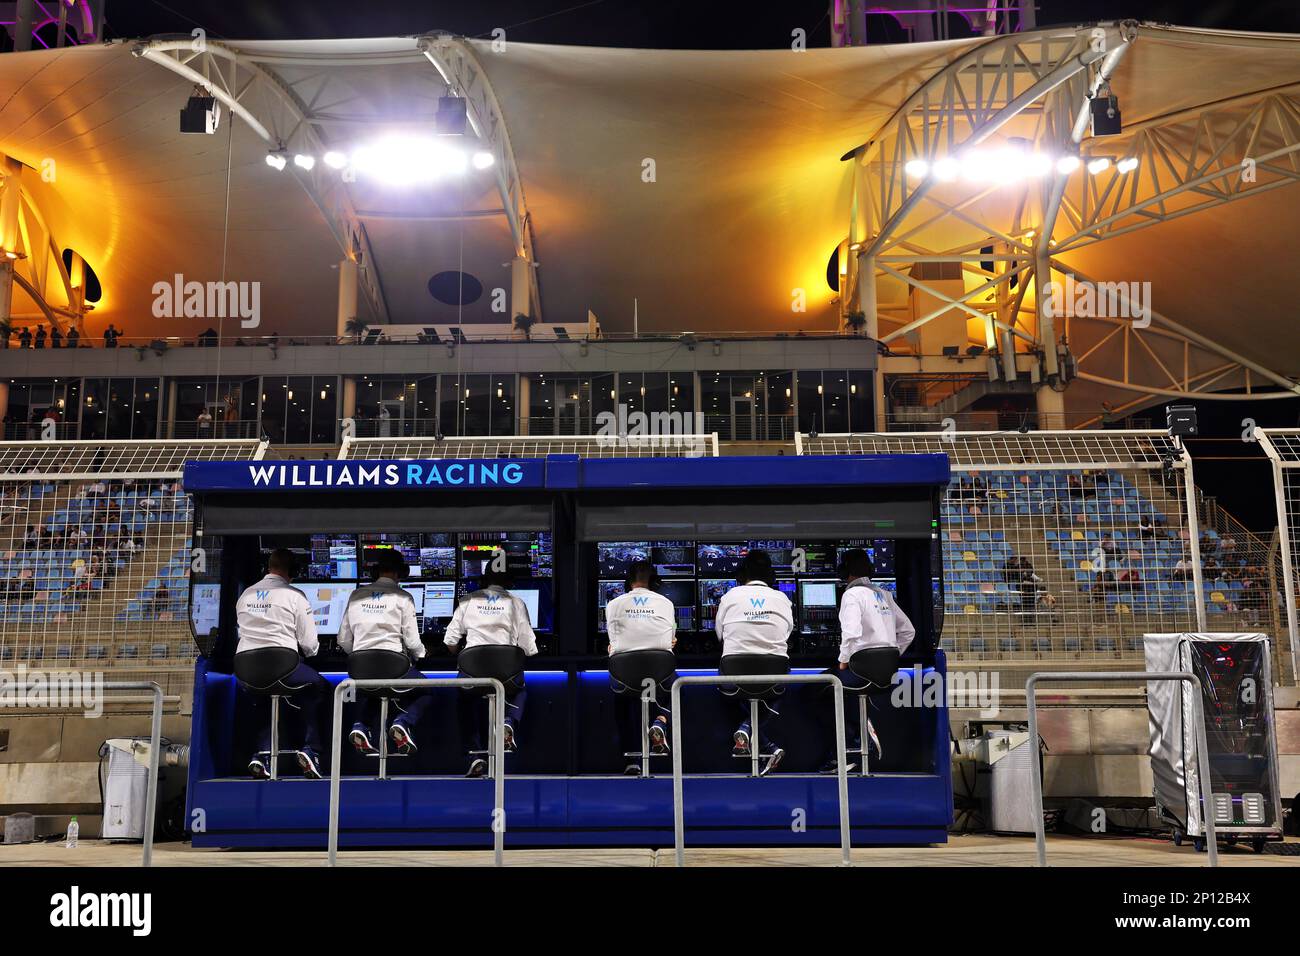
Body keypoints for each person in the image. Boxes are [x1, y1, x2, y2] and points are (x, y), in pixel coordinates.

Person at [816, 549, 916, 773]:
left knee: (816, 688)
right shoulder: (884, 594)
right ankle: (861, 727)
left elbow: (851, 632)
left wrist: (843, 660)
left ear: (845, 572)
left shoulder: (852, 595)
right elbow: (908, 631)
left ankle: (849, 743)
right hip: (887, 672)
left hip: (860, 671)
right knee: (842, 688)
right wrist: (889, 654)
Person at [234, 548, 329, 779]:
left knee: (264, 695)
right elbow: (309, 645)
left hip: (246, 671)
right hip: (283, 666)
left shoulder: (245, 594)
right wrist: (311, 652)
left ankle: (262, 754)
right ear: (293, 570)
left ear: (268, 568)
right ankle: (311, 750)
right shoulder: (295, 595)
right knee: (320, 687)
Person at [443, 568, 538, 777]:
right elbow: (529, 647)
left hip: (472, 675)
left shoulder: (468, 600)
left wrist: (462, 653)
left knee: (464, 696)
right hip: (507, 677)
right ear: (510, 582)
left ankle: (474, 755)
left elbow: (450, 641)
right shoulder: (516, 602)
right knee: (519, 689)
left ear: (484, 580)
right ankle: (508, 722)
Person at [338, 548, 431, 755]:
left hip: (360, 671)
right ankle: (403, 722)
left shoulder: (356, 595)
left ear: (375, 571)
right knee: (426, 688)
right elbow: (413, 642)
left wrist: (362, 656)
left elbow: (343, 640)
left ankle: (361, 726)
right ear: (400, 573)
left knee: (374, 687)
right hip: (394, 670)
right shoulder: (404, 597)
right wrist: (423, 654)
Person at [714, 549, 794, 775]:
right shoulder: (782, 599)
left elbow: (720, 635)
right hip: (774, 672)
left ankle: (751, 731)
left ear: (741, 574)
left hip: (734, 672)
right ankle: (759, 737)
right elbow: (787, 632)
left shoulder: (729, 596)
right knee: (781, 687)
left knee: (728, 692)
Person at [604, 559, 676, 775]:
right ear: (654, 582)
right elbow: (670, 639)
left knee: (623, 702)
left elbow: (613, 640)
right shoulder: (666, 603)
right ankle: (660, 721)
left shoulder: (613, 604)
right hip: (659, 674)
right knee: (676, 685)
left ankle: (632, 760)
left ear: (628, 581)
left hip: (624, 675)